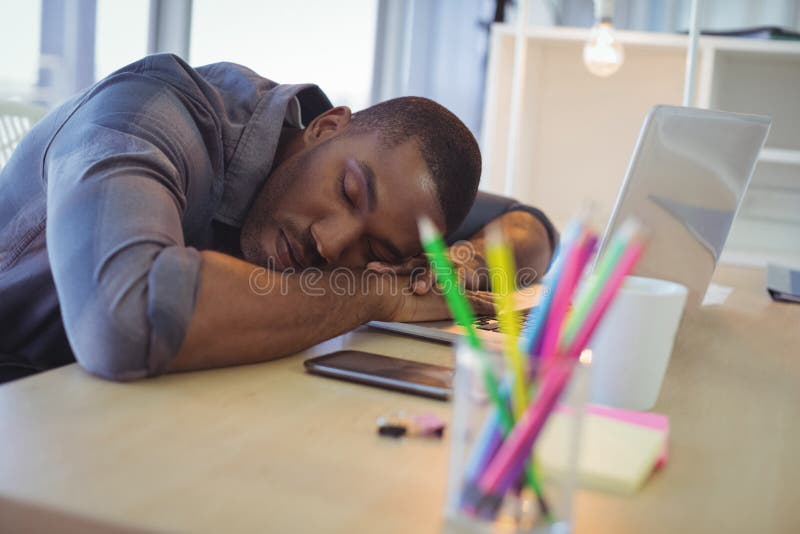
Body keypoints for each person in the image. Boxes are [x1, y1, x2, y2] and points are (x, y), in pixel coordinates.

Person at [0, 54, 557, 383]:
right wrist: (374, 294)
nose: (333, 242)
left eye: (378, 251)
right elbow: (125, 319)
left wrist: (464, 261)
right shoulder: (155, 114)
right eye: (347, 191)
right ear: (327, 127)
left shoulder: (389, 194)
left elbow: (527, 225)